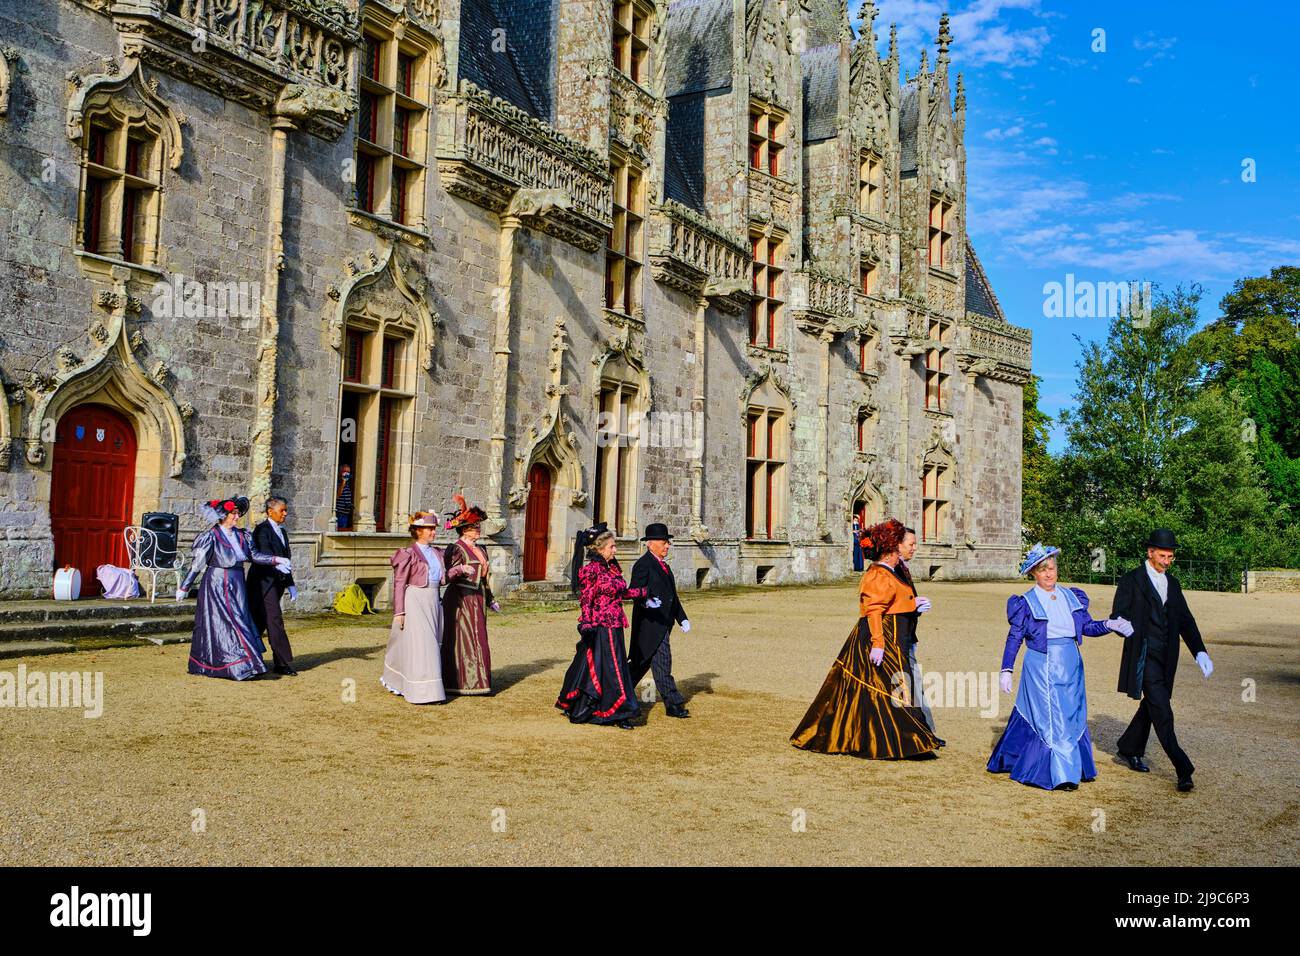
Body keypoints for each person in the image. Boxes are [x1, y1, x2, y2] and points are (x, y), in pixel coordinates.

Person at [790, 518, 940, 758]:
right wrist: (878, 644)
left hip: (895, 637)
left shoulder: (891, 571)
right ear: (891, 549)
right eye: (905, 545)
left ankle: (911, 737)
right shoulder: (878, 574)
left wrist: (914, 605)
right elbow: (875, 610)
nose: (910, 549)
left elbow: (893, 602)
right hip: (881, 638)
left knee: (890, 687)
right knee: (888, 687)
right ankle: (903, 740)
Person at [988, 544, 1133, 790]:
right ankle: (1061, 774)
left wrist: (1109, 624)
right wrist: (1006, 669)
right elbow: (1015, 637)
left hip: (1071, 663)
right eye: (1042, 570)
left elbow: (1086, 627)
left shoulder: (1071, 596)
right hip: (1042, 664)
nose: (1049, 574)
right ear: (1033, 572)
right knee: (1052, 718)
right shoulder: (1025, 602)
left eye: (1052, 568)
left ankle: (1061, 764)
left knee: (1072, 715)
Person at [1112, 529, 1214, 792]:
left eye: (1170, 557)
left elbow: (1185, 621)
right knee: (1163, 711)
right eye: (1163, 556)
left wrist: (1199, 651)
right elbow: (1118, 614)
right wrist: (1121, 625)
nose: (1167, 561)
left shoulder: (1174, 584)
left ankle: (1128, 747)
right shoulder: (1130, 581)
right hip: (1143, 657)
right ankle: (1183, 768)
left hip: (1167, 658)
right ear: (1150, 552)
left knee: (1154, 705)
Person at [175, 496, 293, 681]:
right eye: (233, 514)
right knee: (225, 624)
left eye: (238, 513)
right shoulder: (211, 536)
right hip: (216, 584)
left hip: (237, 584)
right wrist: (184, 587)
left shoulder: (242, 535)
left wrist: (275, 559)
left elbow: (253, 555)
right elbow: (197, 565)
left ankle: (244, 664)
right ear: (223, 516)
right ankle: (234, 665)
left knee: (240, 621)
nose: (237, 517)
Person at [555, 526, 655, 729]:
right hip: (601, 627)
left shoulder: (612, 568)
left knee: (602, 666)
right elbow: (586, 600)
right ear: (599, 549)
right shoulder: (591, 571)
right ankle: (619, 712)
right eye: (612, 546)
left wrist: (644, 593)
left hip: (615, 625)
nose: (615, 550)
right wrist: (587, 624)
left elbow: (621, 593)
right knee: (613, 669)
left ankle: (581, 702)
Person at [382, 511, 450, 704]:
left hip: (433, 600)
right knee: (423, 645)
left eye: (434, 529)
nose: (433, 532)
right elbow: (399, 582)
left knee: (434, 643)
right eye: (429, 529)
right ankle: (423, 693)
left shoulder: (437, 553)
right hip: (416, 600)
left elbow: (442, 578)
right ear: (418, 531)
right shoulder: (408, 554)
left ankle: (431, 689)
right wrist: (400, 612)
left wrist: (459, 570)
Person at [628, 522, 691, 719]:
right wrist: (647, 602)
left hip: (663, 622)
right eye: (664, 542)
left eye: (667, 542)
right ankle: (673, 704)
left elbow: (673, 596)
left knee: (641, 664)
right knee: (660, 661)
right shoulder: (643, 565)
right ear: (651, 544)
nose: (667, 546)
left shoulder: (665, 567)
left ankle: (618, 694)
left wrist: (682, 618)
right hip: (649, 625)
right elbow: (635, 591)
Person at [441, 493, 499, 695]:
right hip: (460, 598)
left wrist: (491, 598)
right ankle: (458, 681)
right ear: (465, 530)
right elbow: (448, 576)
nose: (478, 530)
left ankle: (479, 681)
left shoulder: (482, 548)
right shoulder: (455, 549)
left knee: (478, 638)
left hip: (478, 597)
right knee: (461, 639)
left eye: (478, 526)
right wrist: (462, 570)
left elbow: (484, 577)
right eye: (475, 527)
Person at [893, 526, 941, 743]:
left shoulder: (902, 569)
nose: (914, 548)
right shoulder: (890, 571)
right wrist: (913, 606)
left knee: (912, 687)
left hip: (907, 637)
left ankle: (924, 732)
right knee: (910, 687)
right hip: (896, 640)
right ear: (897, 545)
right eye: (911, 544)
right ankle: (924, 733)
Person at [247, 495, 298, 676]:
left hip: (277, 584)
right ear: (270, 511)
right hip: (262, 583)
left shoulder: (282, 532)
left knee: (259, 621)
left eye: (286, 510)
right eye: (282, 510)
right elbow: (266, 556)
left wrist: (290, 583)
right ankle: (282, 662)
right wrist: (278, 564)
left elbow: (286, 559)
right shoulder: (262, 530)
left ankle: (249, 658)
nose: (285, 514)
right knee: (274, 620)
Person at [335, 464, 354, 531]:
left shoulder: (348, 484)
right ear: (340, 472)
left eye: (348, 472)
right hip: (339, 514)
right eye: (345, 471)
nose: (347, 473)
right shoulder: (337, 483)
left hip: (345, 514)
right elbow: (337, 495)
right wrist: (343, 482)